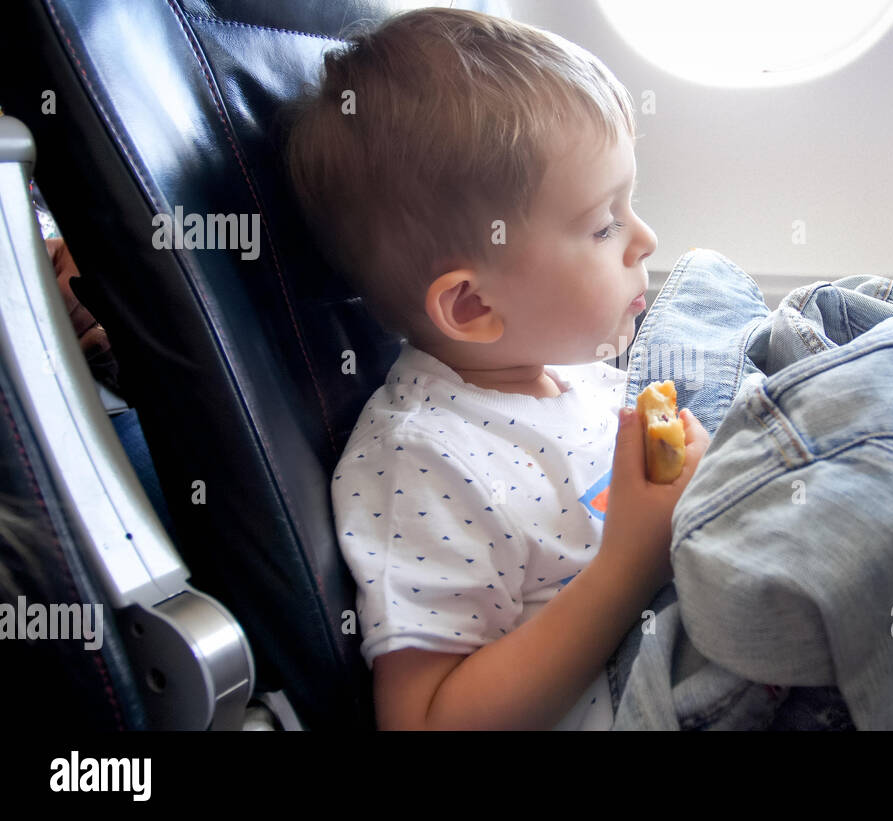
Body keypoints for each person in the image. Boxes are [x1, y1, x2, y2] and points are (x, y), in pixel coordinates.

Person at [286, 7, 708, 730]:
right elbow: (424, 718)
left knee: (733, 290)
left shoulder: (575, 374)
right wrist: (627, 566)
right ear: (474, 304)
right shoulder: (424, 458)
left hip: (689, 604)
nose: (645, 238)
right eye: (604, 224)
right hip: (656, 691)